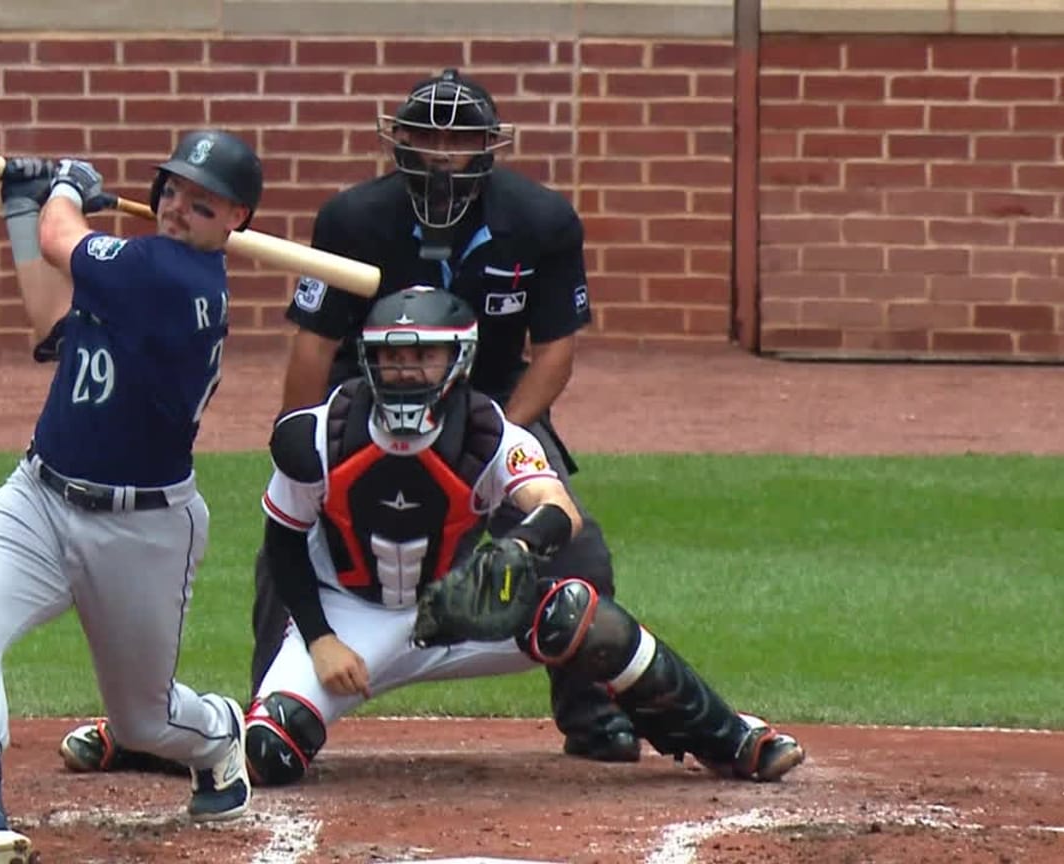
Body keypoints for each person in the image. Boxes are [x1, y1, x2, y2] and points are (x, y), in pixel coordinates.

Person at [60, 66, 637, 773]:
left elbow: (553, 354)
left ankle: (591, 710)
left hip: (492, 400)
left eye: (456, 140)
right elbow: (315, 343)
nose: (438, 153)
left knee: (577, 549)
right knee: (293, 540)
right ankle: (263, 708)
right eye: (423, 135)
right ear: (397, 141)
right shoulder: (353, 219)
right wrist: (298, 446)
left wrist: (496, 440)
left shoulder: (542, 221)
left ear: (490, 147)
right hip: (367, 400)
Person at [138, 289, 806, 788]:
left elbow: (555, 507)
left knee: (580, 616)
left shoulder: (490, 434)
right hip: (348, 621)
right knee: (268, 756)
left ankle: (728, 736)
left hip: (457, 610)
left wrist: (518, 548)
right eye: (392, 357)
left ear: (455, 361)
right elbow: (282, 546)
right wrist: (320, 638)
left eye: (421, 356)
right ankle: (146, 735)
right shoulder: (318, 434)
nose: (405, 370)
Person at [0, 130, 264, 864]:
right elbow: (52, 322)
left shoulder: (171, 278)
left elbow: (59, 236)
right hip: (38, 498)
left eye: (201, 204)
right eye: (172, 191)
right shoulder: (142, 273)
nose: (176, 209)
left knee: (144, 723)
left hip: (143, 530)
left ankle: (220, 731)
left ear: (237, 218)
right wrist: (24, 202)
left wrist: (66, 187)